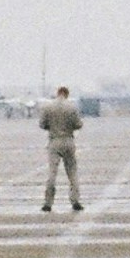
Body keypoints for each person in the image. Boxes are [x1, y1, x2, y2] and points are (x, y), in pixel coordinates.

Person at [40, 84, 85, 213]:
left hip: (54, 141)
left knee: (52, 173)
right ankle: (75, 200)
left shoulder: (48, 107)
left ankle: (48, 202)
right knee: (72, 172)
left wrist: (52, 127)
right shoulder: (72, 107)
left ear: (57, 93)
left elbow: (42, 124)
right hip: (68, 140)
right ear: (67, 94)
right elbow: (78, 124)